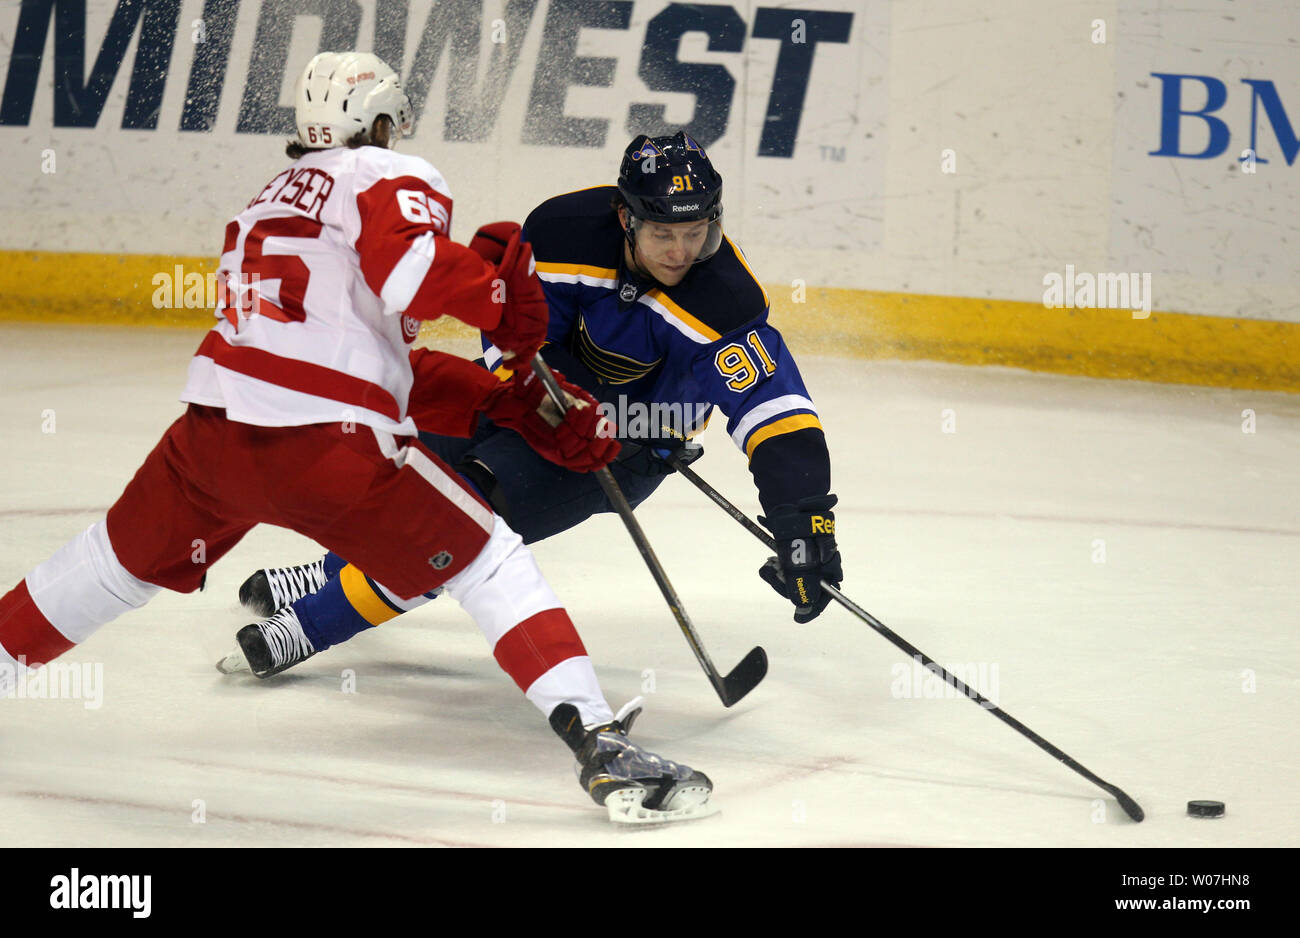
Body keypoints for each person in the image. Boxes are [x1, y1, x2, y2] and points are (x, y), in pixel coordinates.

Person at [0, 52, 714, 824]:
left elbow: (373, 353)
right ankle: (603, 747)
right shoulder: (385, 174)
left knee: (109, 566)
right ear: (378, 121)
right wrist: (500, 300)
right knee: (488, 557)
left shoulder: (266, 202)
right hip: (328, 449)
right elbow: (411, 273)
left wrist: (503, 402)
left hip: (209, 439)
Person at [229, 131, 843, 676]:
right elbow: (512, 329)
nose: (682, 251)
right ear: (626, 219)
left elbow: (776, 413)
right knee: (406, 453)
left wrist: (804, 521)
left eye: (695, 232)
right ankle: (338, 569)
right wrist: (538, 397)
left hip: (623, 442)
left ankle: (309, 624)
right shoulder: (562, 231)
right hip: (535, 399)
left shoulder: (724, 302)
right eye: (663, 232)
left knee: (466, 512)